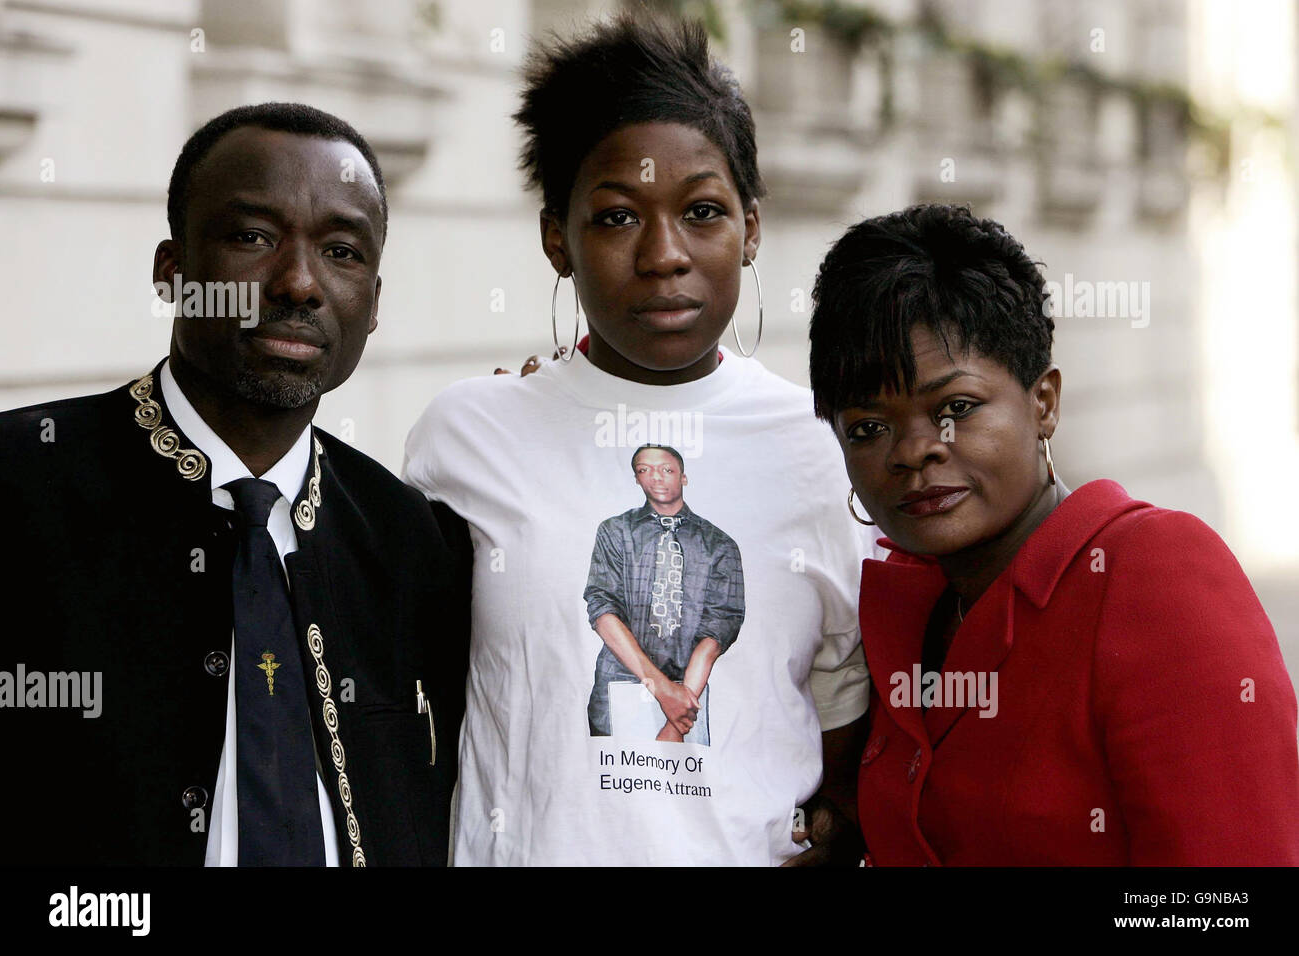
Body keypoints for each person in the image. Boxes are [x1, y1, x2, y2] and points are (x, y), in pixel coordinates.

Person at [404, 15, 878, 866]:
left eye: (702, 211)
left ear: (753, 227)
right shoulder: (468, 437)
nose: (665, 255)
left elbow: (848, 744)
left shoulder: (827, 454)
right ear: (559, 239)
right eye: (618, 218)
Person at [0, 103, 470, 866]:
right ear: (172, 272)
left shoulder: (411, 544)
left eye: (342, 251)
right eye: (252, 237)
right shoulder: (22, 485)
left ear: (374, 305)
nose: (297, 282)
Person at [808, 202, 1299, 865]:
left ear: (1043, 403)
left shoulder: (1153, 577)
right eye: (869, 426)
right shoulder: (907, 610)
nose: (913, 450)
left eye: (956, 408)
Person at [584, 443, 744, 743]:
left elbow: (721, 626)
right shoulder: (614, 531)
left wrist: (676, 721)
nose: (656, 477)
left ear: (683, 477)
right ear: (637, 479)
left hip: (688, 696)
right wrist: (660, 688)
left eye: (666, 469)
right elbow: (603, 609)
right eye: (645, 470)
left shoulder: (720, 545)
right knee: (613, 784)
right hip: (617, 686)